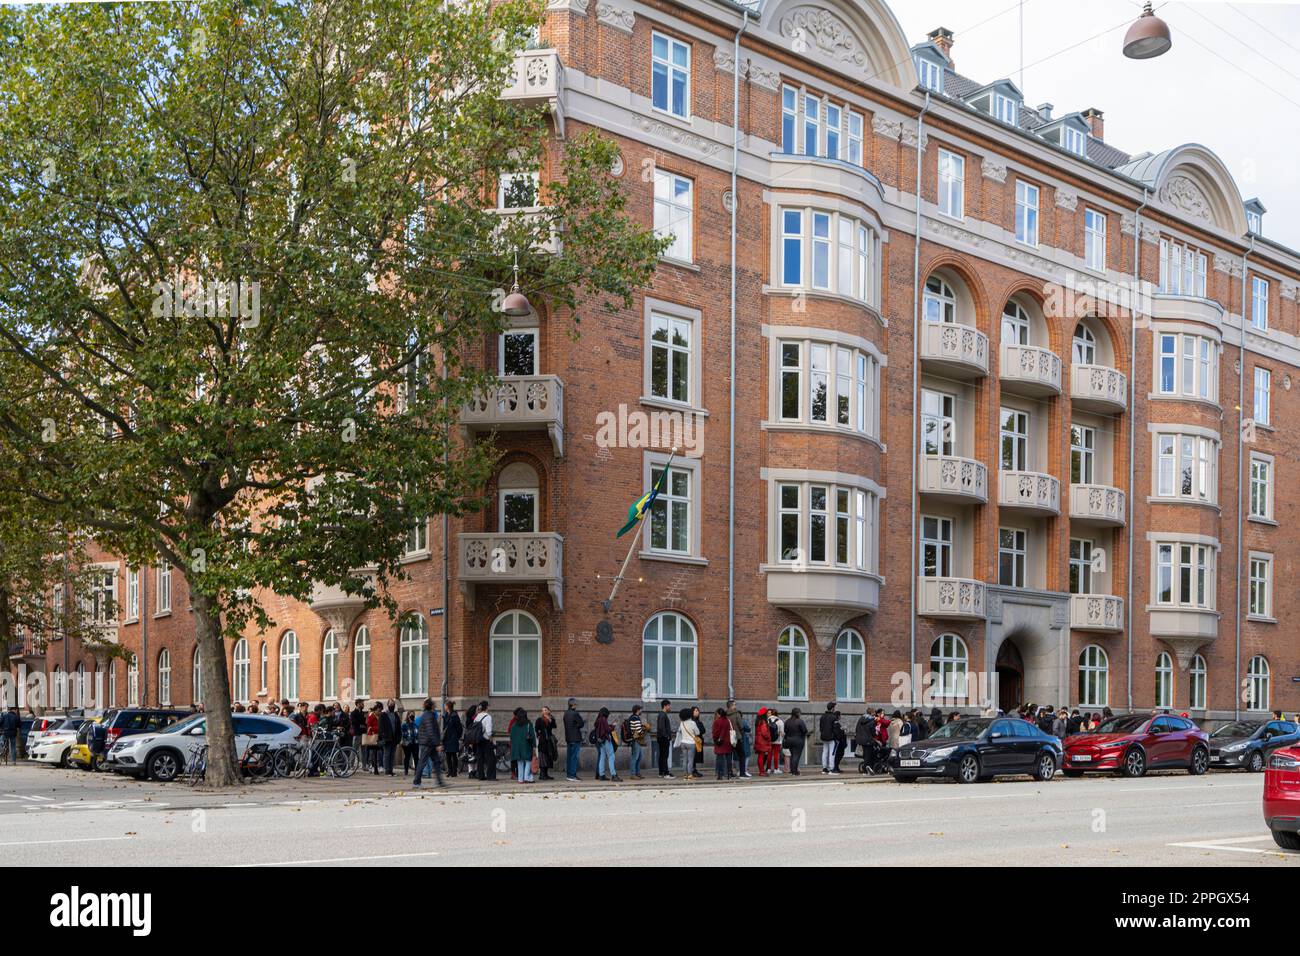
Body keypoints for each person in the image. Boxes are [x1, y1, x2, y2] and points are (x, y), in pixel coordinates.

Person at [412, 698, 445, 789]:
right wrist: (437, 744)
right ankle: (416, 782)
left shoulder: (428, 715)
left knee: (436, 762)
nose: (435, 706)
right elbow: (431, 731)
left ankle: (440, 781)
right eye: (434, 704)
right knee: (422, 762)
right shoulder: (429, 716)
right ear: (431, 706)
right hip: (428, 743)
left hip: (429, 743)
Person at [510, 707, 536, 783]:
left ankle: (520, 779)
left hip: (517, 747)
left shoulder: (514, 725)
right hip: (526, 745)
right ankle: (526, 777)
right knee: (528, 761)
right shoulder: (529, 724)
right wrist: (534, 745)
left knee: (519, 762)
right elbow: (533, 736)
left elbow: (511, 736)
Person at [593, 707, 620, 781]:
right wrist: (613, 725)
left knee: (602, 757)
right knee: (611, 756)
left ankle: (601, 775)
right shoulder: (603, 719)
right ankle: (613, 775)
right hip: (606, 740)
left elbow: (603, 729)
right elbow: (608, 730)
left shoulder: (598, 720)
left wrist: (610, 725)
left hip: (601, 741)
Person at [675, 707, 702, 779]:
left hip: (683, 743)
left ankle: (685, 774)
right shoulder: (692, 723)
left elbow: (679, 731)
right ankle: (690, 775)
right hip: (691, 743)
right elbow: (698, 732)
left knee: (685, 759)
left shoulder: (681, 723)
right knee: (690, 760)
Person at [563, 698, 585, 782]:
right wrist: (577, 725)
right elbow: (581, 724)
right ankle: (572, 775)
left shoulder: (565, 714)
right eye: (575, 704)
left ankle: (569, 775)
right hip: (575, 738)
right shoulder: (575, 713)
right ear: (573, 705)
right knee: (574, 757)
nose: (576, 706)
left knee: (569, 757)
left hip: (568, 738)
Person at [472, 701, 494, 780]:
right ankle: (490, 776)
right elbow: (488, 730)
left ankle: (481, 775)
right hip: (486, 739)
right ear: (486, 707)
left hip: (478, 740)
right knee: (490, 758)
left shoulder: (477, 716)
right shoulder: (488, 717)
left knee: (480, 758)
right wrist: (490, 737)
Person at [625, 704, 648, 780]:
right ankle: (633, 774)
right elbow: (639, 730)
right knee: (635, 757)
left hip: (635, 740)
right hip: (636, 740)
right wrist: (645, 729)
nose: (641, 711)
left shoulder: (633, 717)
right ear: (638, 710)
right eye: (641, 709)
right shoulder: (635, 718)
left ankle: (637, 773)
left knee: (639, 757)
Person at [535, 706, 557, 781]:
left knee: (548, 757)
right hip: (542, 741)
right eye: (542, 710)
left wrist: (550, 719)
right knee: (542, 757)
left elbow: (554, 726)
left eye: (545, 710)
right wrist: (538, 735)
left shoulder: (551, 719)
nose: (544, 711)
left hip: (549, 741)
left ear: (548, 711)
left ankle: (546, 774)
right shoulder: (539, 720)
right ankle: (542, 774)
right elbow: (536, 729)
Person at [441, 701, 463, 777]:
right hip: (447, 738)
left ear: (447, 706)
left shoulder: (454, 715)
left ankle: (454, 772)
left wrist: (457, 736)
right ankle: (449, 771)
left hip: (453, 738)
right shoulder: (446, 715)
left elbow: (459, 727)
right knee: (447, 755)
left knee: (453, 755)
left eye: (445, 705)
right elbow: (444, 728)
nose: (444, 707)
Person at [783, 708, 808, 775]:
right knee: (796, 756)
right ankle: (794, 771)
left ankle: (792, 770)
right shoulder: (800, 721)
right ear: (797, 713)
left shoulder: (787, 721)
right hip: (798, 740)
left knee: (792, 755)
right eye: (799, 713)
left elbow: (785, 731)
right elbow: (805, 731)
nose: (800, 714)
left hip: (789, 740)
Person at [711, 707, 733, 780]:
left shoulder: (717, 721)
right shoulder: (727, 720)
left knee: (720, 758)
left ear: (718, 714)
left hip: (720, 742)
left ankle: (720, 775)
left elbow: (715, 733)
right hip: (727, 741)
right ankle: (729, 774)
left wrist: (715, 740)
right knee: (728, 758)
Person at [381, 699, 401, 775]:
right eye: (390, 704)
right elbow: (381, 727)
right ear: (388, 704)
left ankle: (391, 770)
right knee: (387, 754)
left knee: (392, 755)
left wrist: (399, 737)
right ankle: (386, 770)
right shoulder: (384, 714)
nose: (392, 706)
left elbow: (398, 726)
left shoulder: (395, 715)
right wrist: (384, 736)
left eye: (393, 704)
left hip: (394, 738)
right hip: (387, 738)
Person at [656, 699, 674, 779]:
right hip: (663, 738)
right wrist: (666, 736)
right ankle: (666, 773)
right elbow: (661, 727)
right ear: (665, 706)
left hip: (662, 738)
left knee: (662, 756)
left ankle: (661, 772)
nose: (670, 707)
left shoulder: (662, 715)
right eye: (669, 705)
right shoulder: (662, 715)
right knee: (664, 756)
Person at [819, 701, 838, 774]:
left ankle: (824, 768)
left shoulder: (822, 716)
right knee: (832, 753)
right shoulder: (833, 717)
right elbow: (835, 728)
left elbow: (820, 727)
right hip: (831, 737)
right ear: (833, 708)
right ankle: (831, 768)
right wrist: (835, 736)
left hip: (824, 736)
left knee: (825, 752)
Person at [364, 702, 382, 774]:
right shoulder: (371, 716)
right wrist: (377, 728)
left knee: (379, 752)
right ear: (375, 710)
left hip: (379, 736)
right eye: (378, 710)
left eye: (380, 710)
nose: (379, 712)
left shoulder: (380, 716)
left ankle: (378, 766)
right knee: (373, 753)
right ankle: (374, 768)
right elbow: (369, 727)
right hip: (372, 736)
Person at [754, 707, 772, 775]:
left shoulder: (758, 721)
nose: (768, 714)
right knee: (761, 756)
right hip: (763, 742)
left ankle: (761, 771)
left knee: (760, 756)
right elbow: (765, 733)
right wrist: (769, 737)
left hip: (759, 741)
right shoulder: (763, 722)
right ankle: (762, 771)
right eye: (767, 713)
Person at [401, 711, 419, 775]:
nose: (412, 716)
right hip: (407, 743)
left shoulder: (415, 724)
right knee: (407, 757)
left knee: (416, 757)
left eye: (413, 715)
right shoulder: (404, 724)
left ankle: (416, 771)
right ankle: (406, 770)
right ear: (408, 716)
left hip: (415, 743)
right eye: (411, 715)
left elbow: (417, 732)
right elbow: (403, 734)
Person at [769, 709, 785, 774]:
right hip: (777, 740)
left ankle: (768, 769)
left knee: (769, 755)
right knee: (776, 755)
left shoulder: (767, 720)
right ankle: (776, 769)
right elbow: (782, 733)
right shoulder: (780, 721)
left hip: (769, 740)